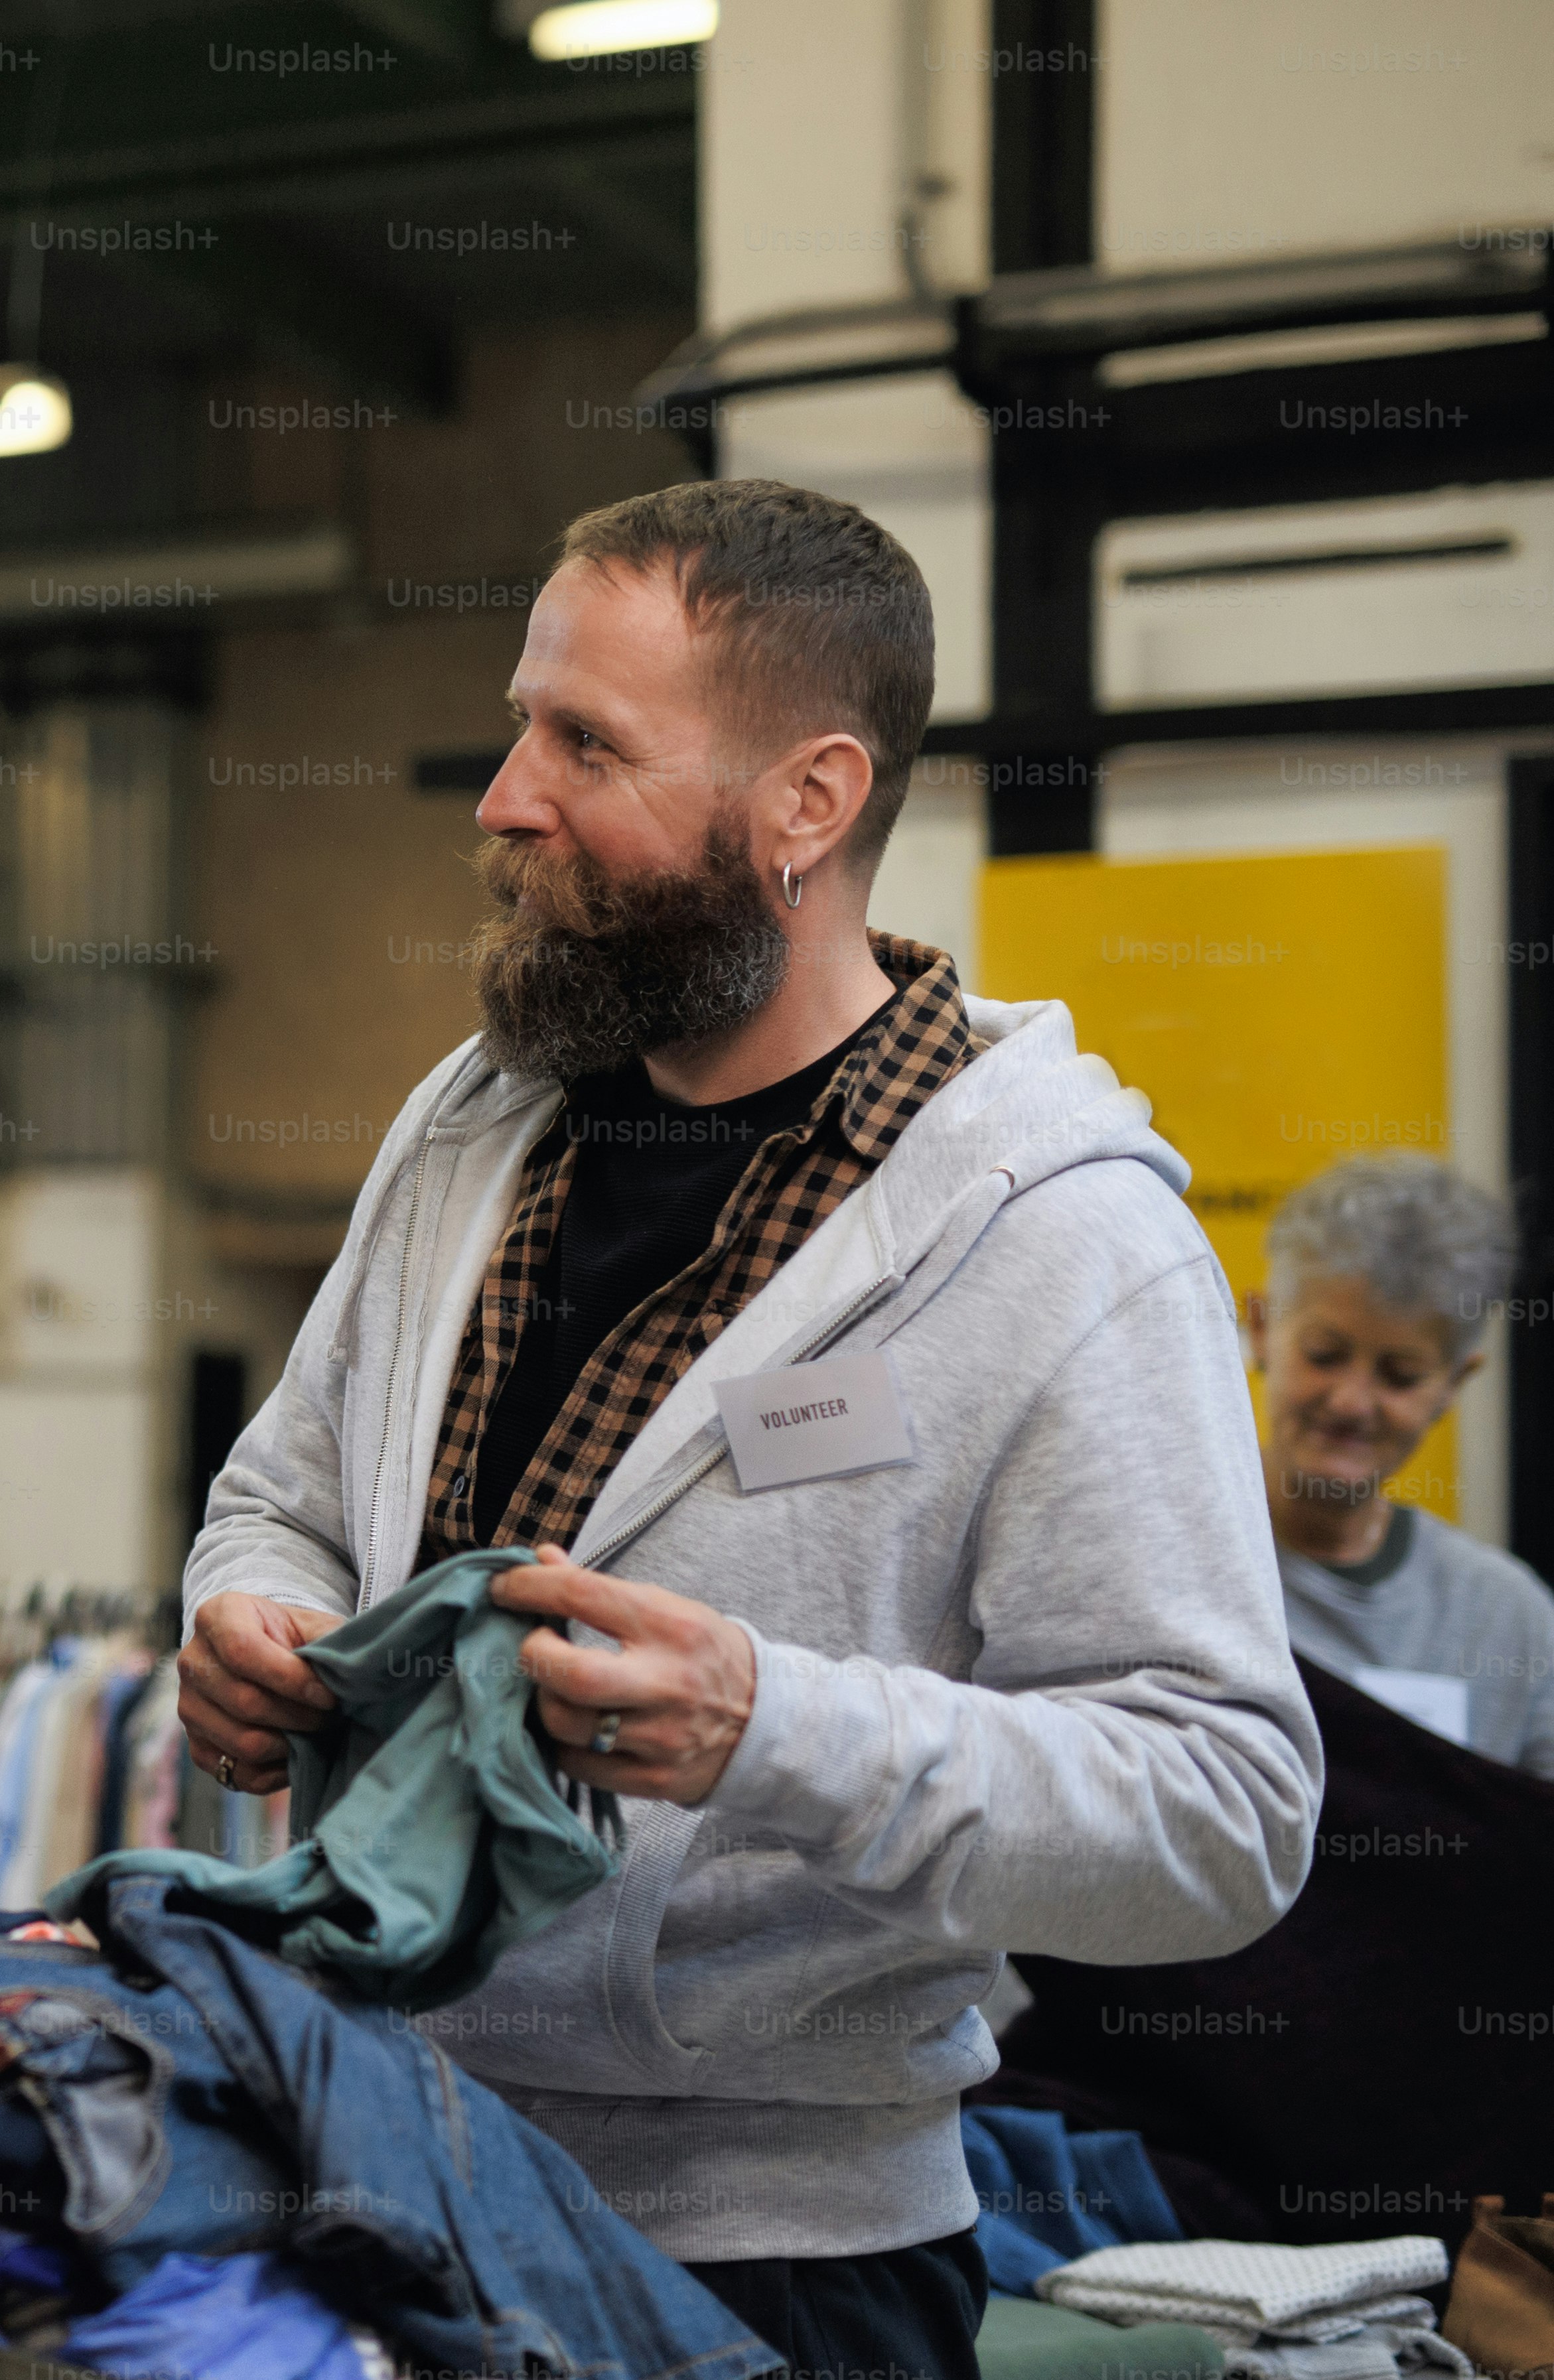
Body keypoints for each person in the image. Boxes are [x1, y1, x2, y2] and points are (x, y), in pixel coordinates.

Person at [174, 480, 1318, 2380]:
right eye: (519, 720)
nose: (500, 797)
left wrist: (767, 1730)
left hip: (773, 2273)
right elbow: (277, 1494)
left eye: (583, 744)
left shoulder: (1063, 1241)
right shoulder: (470, 1127)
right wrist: (252, 1613)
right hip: (366, 2171)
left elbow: (1218, 1812)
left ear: (806, 802)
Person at [1253, 1155, 1554, 1774]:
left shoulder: (1507, 1618)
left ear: (1454, 1384)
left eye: (1401, 1375)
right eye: (1325, 1354)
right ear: (1260, 1330)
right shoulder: (1166, 1566)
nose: (1352, 1402)